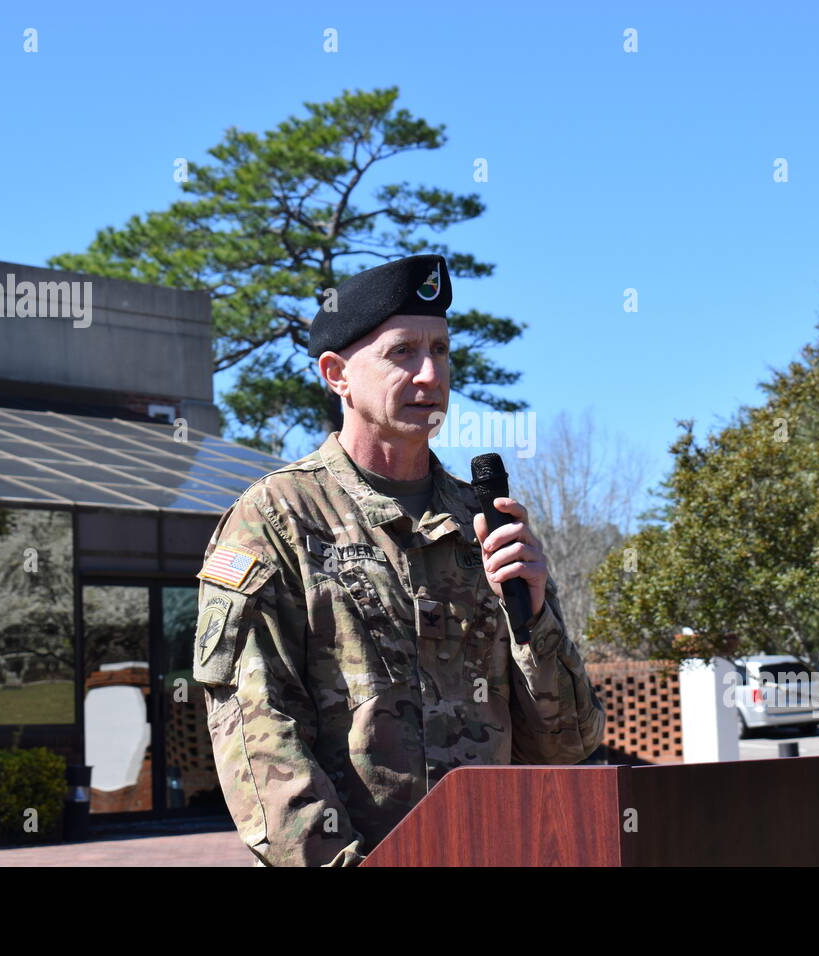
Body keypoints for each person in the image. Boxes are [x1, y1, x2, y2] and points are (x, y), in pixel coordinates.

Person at [193, 253, 605, 866]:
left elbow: (568, 744)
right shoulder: (277, 518)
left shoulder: (481, 522)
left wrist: (535, 618)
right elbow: (258, 736)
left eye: (440, 349)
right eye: (402, 352)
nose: (429, 374)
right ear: (337, 374)